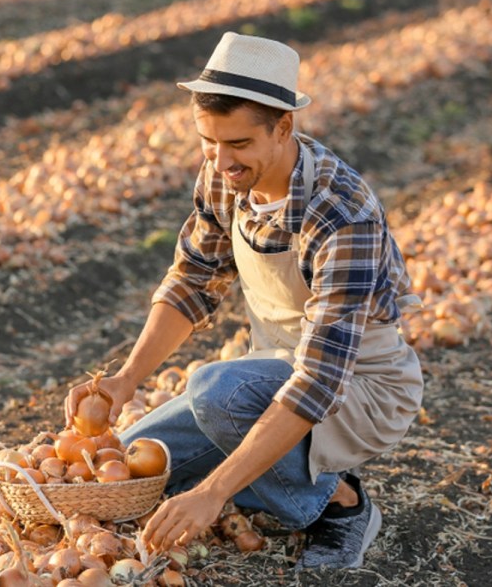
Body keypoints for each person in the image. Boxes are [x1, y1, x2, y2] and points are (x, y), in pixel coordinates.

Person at [64, 33, 423, 570]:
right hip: (267, 375)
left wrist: (214, 493)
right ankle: (258, 476)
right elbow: (191, 281)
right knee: (144, 466)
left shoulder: (342, 214)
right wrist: (126, 379)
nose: (220, 160)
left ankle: (340, 504)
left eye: (238, 144)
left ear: (283, 127)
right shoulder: (224, 176)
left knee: (214, 394)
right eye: (208, 141)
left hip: (357, 387)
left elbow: (319, 380)